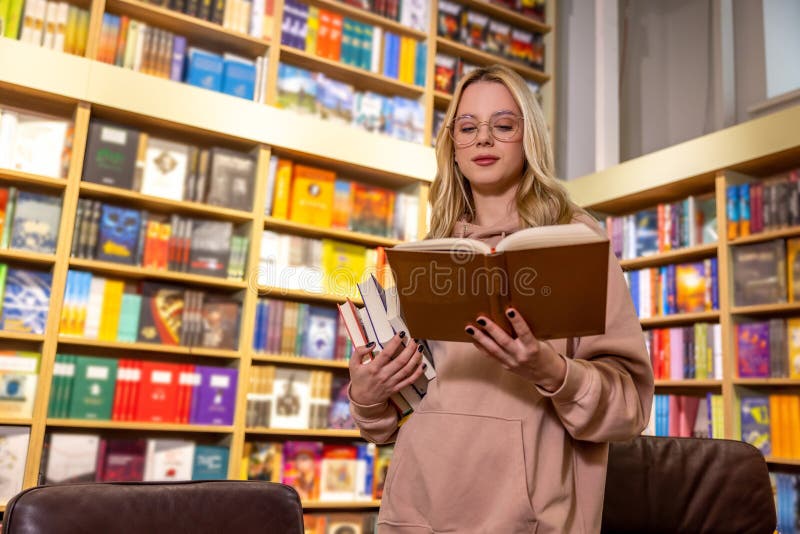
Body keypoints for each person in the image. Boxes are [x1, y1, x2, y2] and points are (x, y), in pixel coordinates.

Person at [347, 64, 654, 533]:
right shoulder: (431, 250)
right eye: (467, 128)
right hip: (415, 513)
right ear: (451, 145)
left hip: (526, 519)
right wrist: (368, 396)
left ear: (528, 136)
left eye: (503, 125)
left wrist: (551, 372)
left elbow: (629, 406)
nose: (483, 140)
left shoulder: (575, 242)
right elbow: (397, 415)